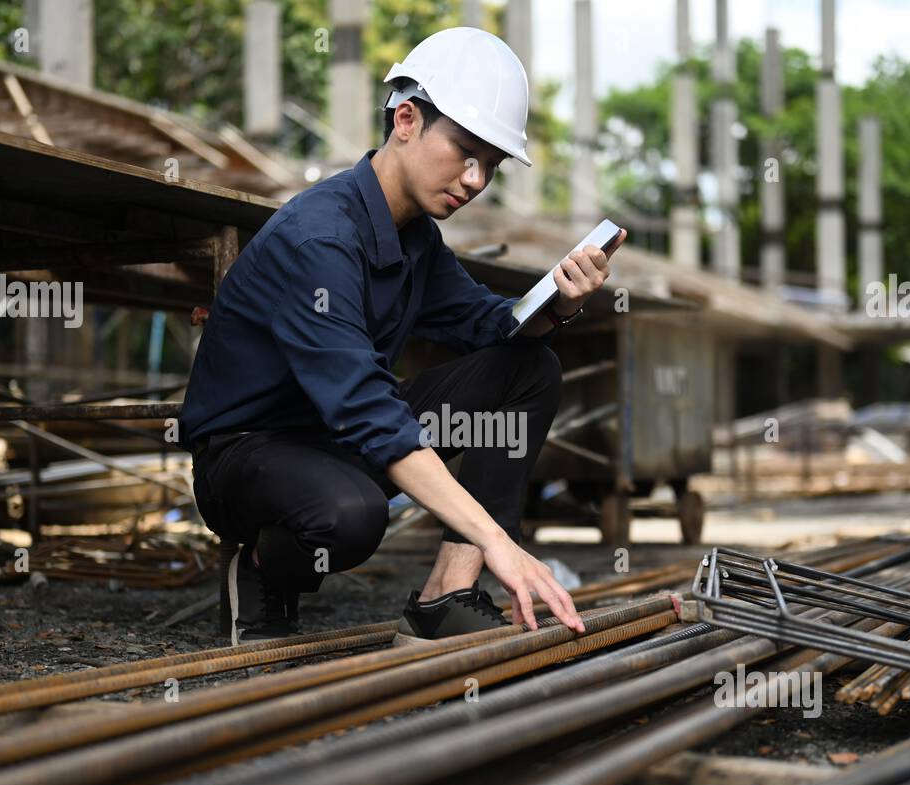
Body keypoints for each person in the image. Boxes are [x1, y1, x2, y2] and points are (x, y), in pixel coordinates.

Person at [181, 27, 626, 644]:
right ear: (407, 119)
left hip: (337, 440)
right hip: (248, 455)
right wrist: (498, 539)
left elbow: (490, 326)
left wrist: (558, 301)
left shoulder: (414, 236)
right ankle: (262, 567)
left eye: (490, 166)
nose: (474, 180)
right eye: (465, 151)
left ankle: (445, 595)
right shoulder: (321, 239)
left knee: (531, 368)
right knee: (351, 516)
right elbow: (366, 409)